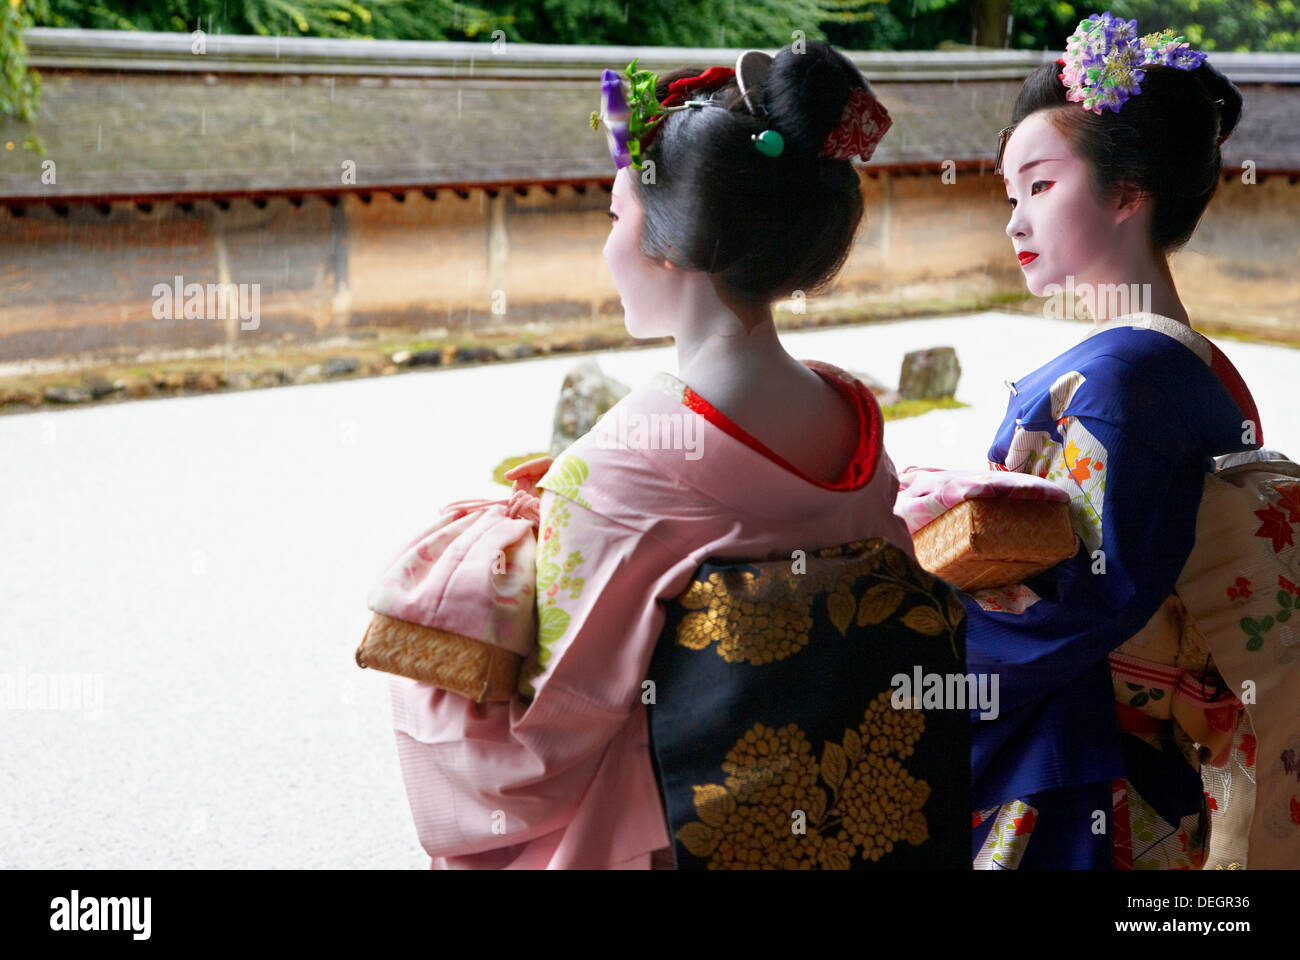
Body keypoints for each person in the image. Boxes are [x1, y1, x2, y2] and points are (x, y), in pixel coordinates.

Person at [387, 41, 915, 869]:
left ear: (670, 242)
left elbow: (545, 745)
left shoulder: (627, 459)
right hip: (828, 825)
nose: (607, 247)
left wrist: (443, 623)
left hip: (670, 836)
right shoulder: (853, 420)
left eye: (614, 216)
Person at [958, 12, 1263, 868]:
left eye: (1041, 187)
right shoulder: (1200, 369)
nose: (1015, 222)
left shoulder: (1116, 385)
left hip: (1087, 772)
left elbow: (1062, 611)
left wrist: (910, 626)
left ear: (1129, 191)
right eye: (1010, 195)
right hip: (1155, 769)